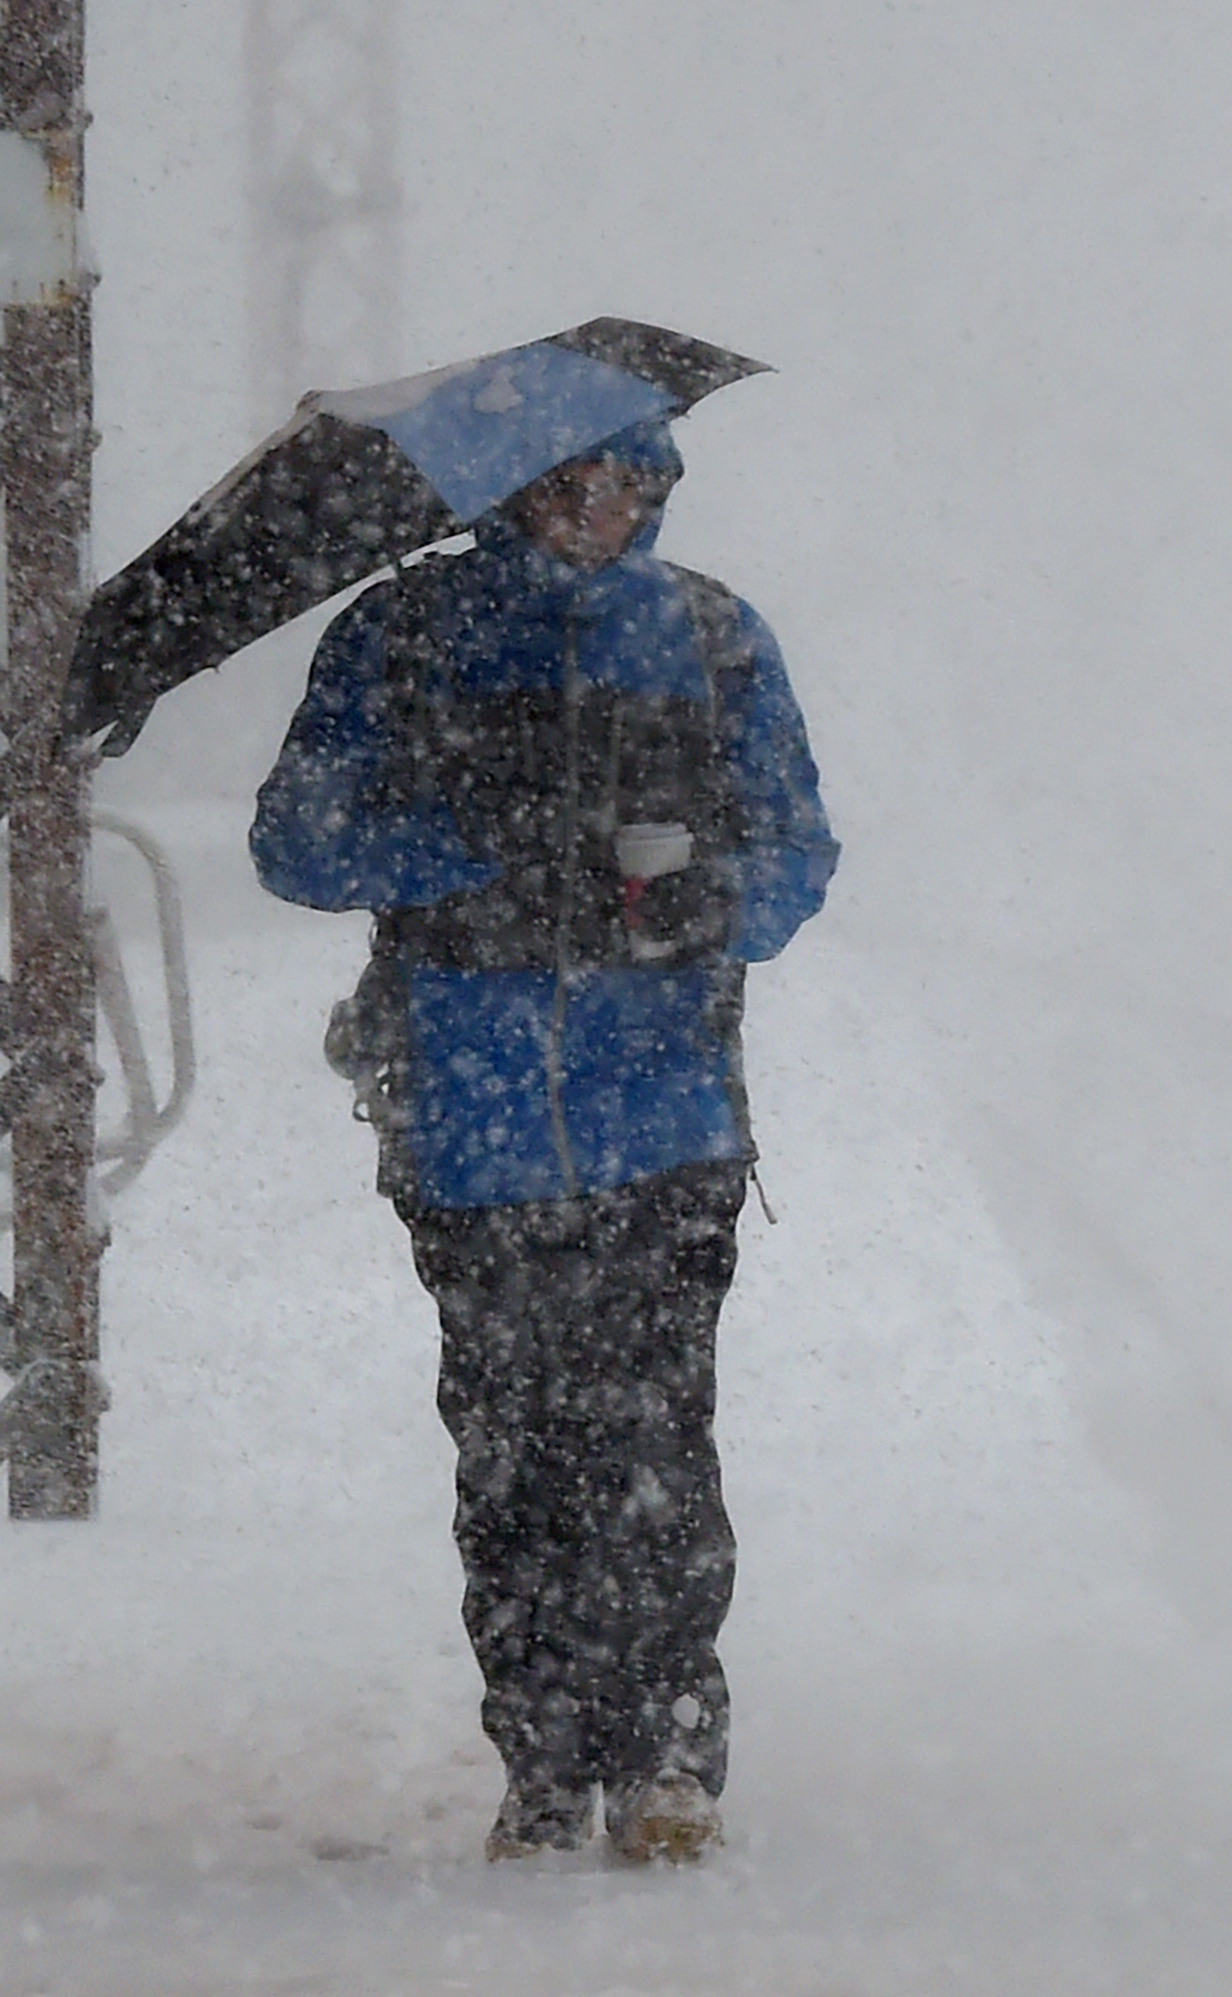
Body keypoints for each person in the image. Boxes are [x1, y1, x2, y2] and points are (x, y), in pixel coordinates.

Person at [249, 415, 837, 1864]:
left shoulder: (713, 636)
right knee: (514, 1459)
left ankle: (670, 1756)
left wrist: (707, 899)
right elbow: (296, 843)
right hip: (469, 1122)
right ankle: (548, 1760)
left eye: (632, 482)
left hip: (667, 1113)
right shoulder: (401, 634)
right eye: (573, 481)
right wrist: (470, 834)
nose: (601, 507)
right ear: (514, 487)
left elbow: (795, 850)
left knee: (656, 1443)